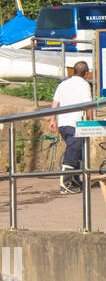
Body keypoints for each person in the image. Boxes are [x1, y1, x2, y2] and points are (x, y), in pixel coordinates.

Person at [49, 61, 93, 194]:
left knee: (78, 151)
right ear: (86, 73)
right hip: (76, 123)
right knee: (73, 151)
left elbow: (55, 103)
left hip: (63, 123)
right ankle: (65, 183)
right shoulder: (84, 85)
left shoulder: (63, 84)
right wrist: (91, 121)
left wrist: (53, 119)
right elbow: (88, 105)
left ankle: (75, 178)